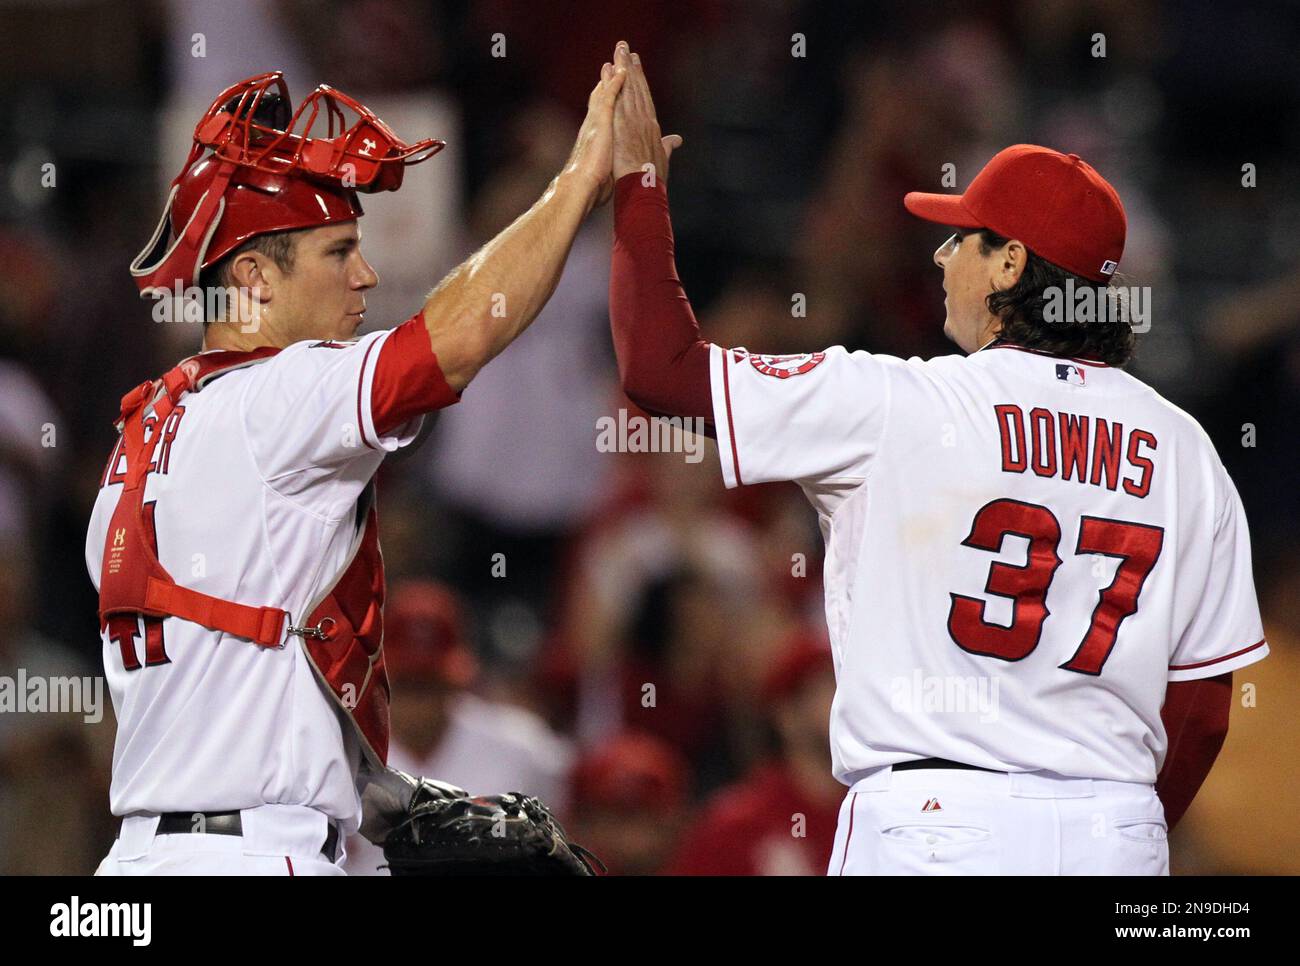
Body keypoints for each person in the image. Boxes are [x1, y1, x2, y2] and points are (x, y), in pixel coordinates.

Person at [605, 42, 1267, 875]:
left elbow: (662, 374)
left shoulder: (896, 401)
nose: (940, 256)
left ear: (1014, 263)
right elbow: (1203, 711)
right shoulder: (1187, 450)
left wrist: (636, 185)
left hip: (935, 825)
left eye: (963, 239)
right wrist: (1122, 829)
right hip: (1114, 827)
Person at [86, 60, 628, 876]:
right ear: (253, 278)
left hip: (140, 865)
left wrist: (393, 801)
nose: (366, 276)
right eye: (338, 251)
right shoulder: (274, 398)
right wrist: (582, 180)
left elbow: (247, 683)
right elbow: (455, 341)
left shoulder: (139, 439)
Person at [344, 579, 573, 875]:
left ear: (458, 678)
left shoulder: (523, 748)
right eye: (408, 685)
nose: (419, 704)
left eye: (430, 685)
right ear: (380, 679)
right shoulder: (343, 751)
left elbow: (571, 821)